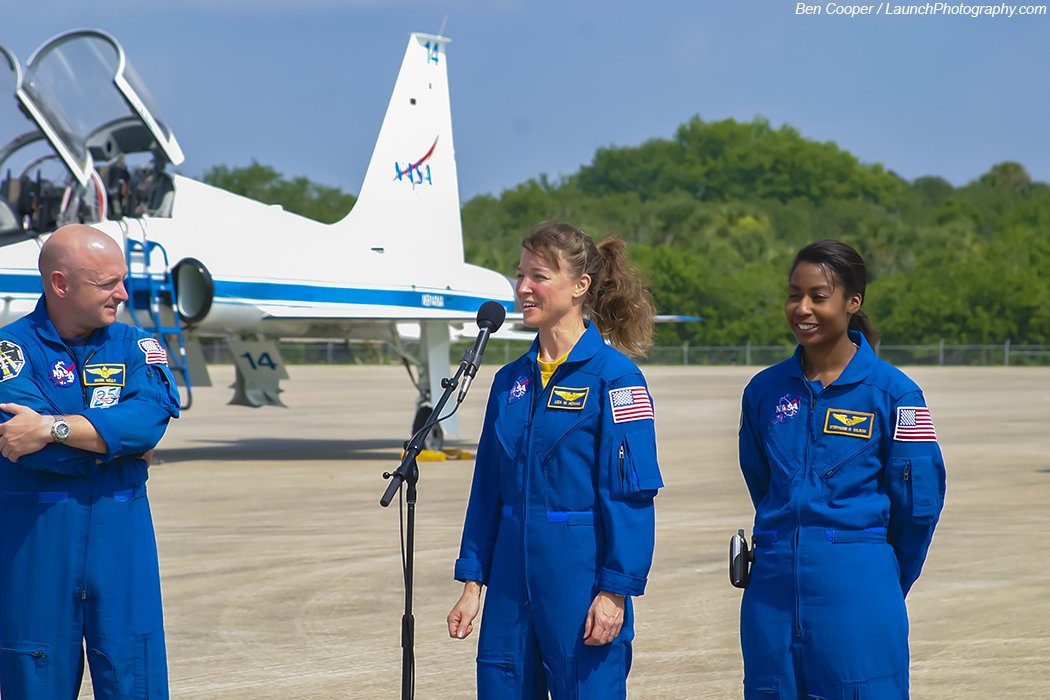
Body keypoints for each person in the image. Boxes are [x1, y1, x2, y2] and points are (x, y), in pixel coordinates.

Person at [447, 221, 664, 698]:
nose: (522, 287)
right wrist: (472, 581)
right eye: (520, 274)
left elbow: (630, 496)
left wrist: (615, 591)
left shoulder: (617, 380)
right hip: (507, 577)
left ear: (580, 286)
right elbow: (487, 489)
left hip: (579, 573)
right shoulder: (509, 382)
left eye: (539, 276)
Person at [737, 240, 947, 699]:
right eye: (794, 294)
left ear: (853, 302)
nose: (802, 308)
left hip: (858, 592)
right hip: (770, 596)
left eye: (818, 296)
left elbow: (918, 509)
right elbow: (762, 482)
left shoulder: (897, 396)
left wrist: (873, 572)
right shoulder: (763, 392)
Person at [0, 224, 180, 698]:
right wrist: (115, 443)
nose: (122, 293)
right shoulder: (9, 350)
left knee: (134, 669)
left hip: (122, 530)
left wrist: (53, 427)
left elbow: (149, 420)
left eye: (122, 280)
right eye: (106, 284)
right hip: (36, 532)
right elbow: (22, 442)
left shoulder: (137, 346)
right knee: (32, 669)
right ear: (60, 284)